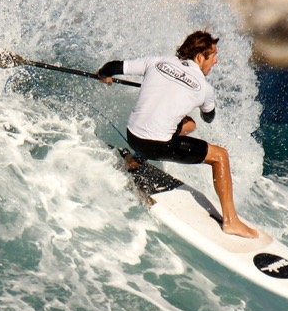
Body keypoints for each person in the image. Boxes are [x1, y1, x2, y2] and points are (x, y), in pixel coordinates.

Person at [97, 31, 268, 242]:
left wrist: (104, 75)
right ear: (199, 57)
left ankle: (136, 159)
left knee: (188, 125)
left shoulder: (157, 61)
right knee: (220, 156)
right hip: (157, 146)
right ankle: (231, 221)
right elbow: (209, 117)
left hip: (132, 135)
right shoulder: (205, 89)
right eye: (212, 56)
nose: (216, 60)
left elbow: (112, 67)